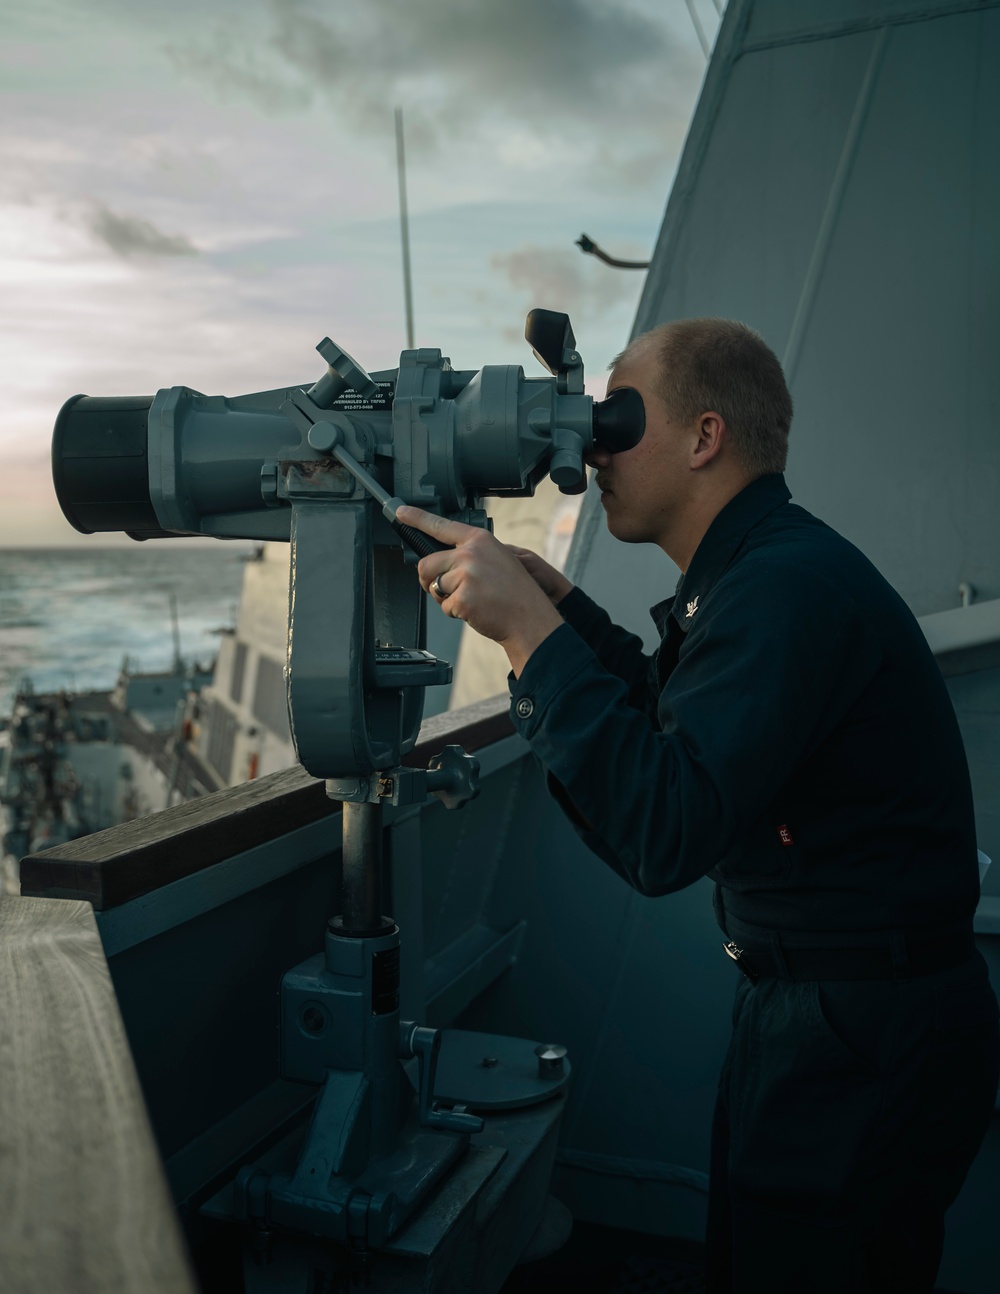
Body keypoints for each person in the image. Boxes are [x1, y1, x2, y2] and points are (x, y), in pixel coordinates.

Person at [396, 318, 1000, 1293]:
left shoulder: (782, 591)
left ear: (705, 436)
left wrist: (529, 635)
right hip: (839, 1014)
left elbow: (664, 824)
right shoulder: (758, 576)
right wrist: (564, 616)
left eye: (617, 417)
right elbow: (677, 730)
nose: (591, 447)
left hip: (857, 1033)